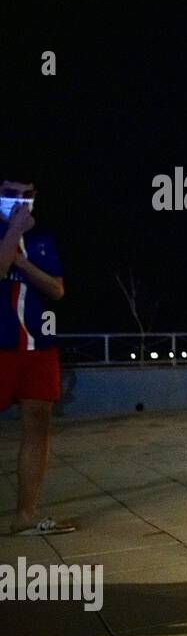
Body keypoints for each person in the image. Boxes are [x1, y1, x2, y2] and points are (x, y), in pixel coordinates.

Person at [0, 177, 73, 536]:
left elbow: (57, 289)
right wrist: (13, 231)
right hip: (1, 346)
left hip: (39, 346)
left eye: (26, 195)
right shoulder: (7, 231)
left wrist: (23, 264)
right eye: (10, 193)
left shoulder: (43, 239)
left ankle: (26, 515)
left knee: (38, 428)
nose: (19, 201)